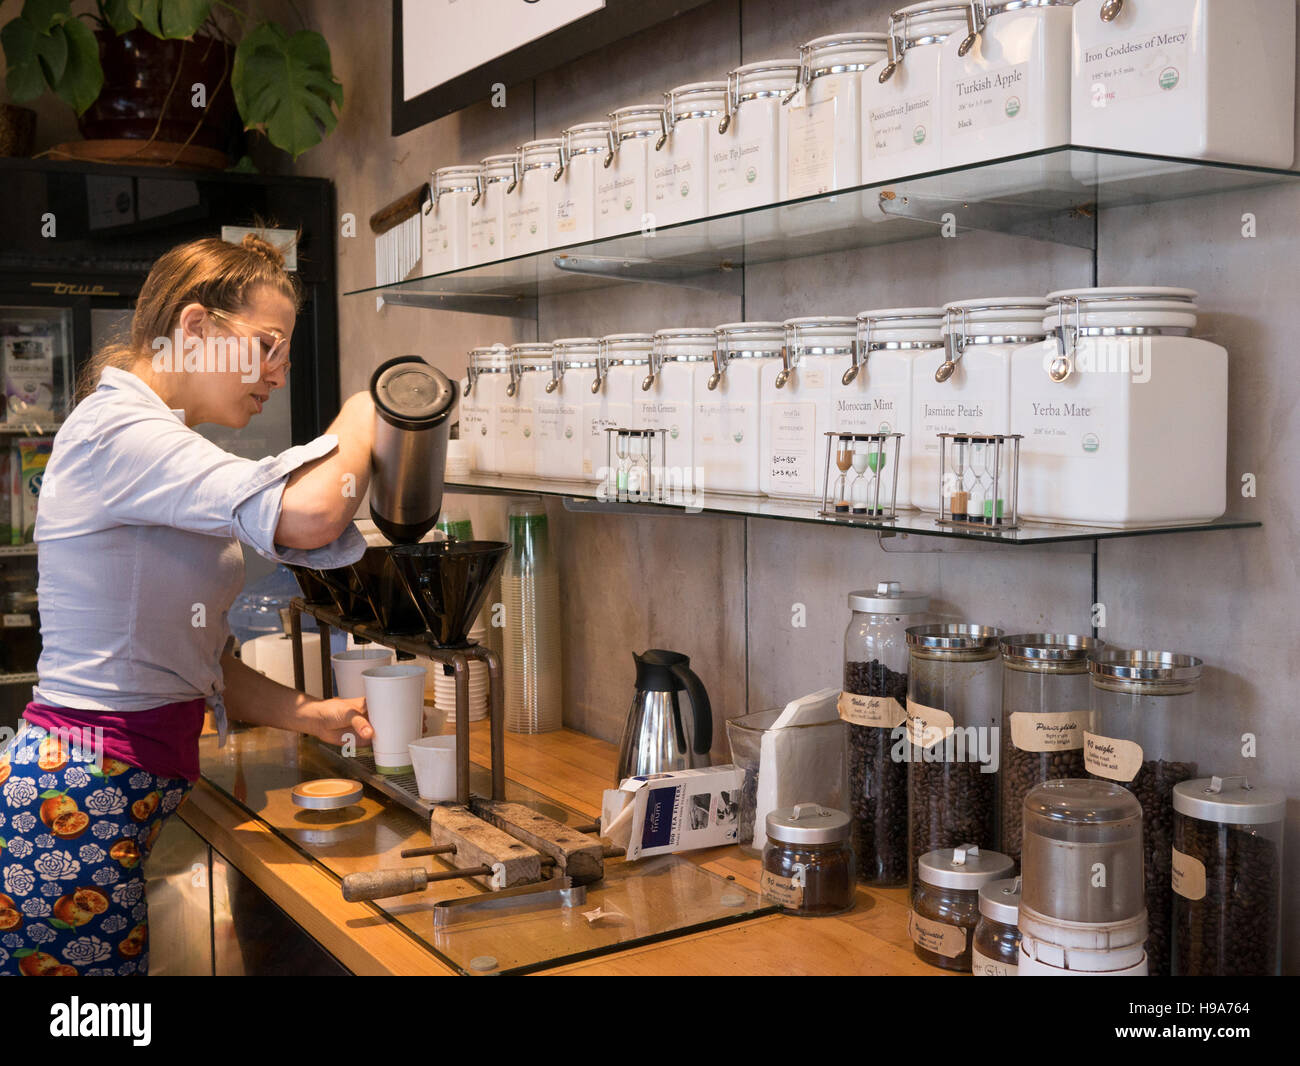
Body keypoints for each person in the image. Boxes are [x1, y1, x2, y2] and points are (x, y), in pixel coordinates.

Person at [0, 235, 375, 976]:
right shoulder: (120, 433)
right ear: (197, 327)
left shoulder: (150, 440)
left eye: (287, 351)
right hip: (74, 802)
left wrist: (308, 713)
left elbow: (187, 654)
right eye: (266, 345)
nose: (280, 370)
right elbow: (310, 515)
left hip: (105, 796)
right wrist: (369, 407)